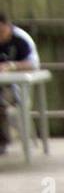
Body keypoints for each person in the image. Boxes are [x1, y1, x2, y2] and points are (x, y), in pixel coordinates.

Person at [0, 13, 37, 156]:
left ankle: (2, 142)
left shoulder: (21, 40)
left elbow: (33, 64)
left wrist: (12, 66)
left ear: (8, 27)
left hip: (15, 87)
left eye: (2, 32)